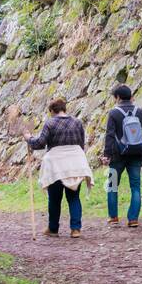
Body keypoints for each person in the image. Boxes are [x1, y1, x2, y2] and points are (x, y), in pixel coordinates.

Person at [26, 98, 93, 238]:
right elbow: (81, 144)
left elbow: (40, 143)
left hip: (56, 165)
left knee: (55, 198)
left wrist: (28, 138)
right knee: (74, 197)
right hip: (76, 162)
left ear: (52, 111)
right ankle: (75, 229)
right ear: (64, 108)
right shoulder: (77, 122)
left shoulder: (50, 123)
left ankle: (53, 229)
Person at [103, 84, 142, 228]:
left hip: (117, 155)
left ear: (117, 97)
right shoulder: (140, 112)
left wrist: (107, 154)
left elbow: (110, 136)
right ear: (131, 97)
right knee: (135, 187)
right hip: (137, 154)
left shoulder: (114, 113)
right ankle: (133, 219)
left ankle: (113, 217)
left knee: (112, 185)